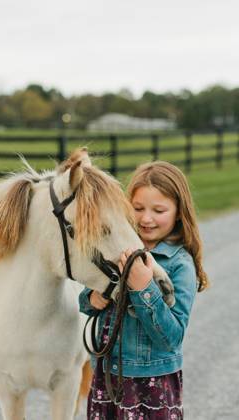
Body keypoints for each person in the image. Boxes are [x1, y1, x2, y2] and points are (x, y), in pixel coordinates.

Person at [79, 161, 209, 419]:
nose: (146, 218)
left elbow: (171, 338)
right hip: (106, 375)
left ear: (179, 213)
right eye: (137, 208)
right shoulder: (116, 250)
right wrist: (93, 297)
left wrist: (143, 289)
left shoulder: (179, 265)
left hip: (149, 383)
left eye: (158, 210)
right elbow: (86, 303)